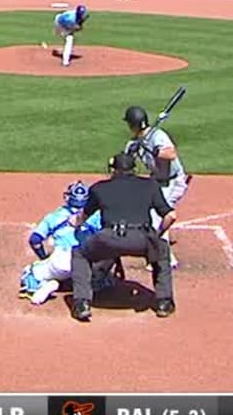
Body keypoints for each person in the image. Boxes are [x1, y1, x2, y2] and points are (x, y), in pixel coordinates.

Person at [66, 152, 177, 322]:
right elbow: (171, 216)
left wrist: (73, 222)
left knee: (80, 254)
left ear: (113, 170)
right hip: (142, 238)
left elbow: (82, 217)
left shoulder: (99, 188)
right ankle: (164, 302)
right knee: (161, 251)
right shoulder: (150, 185)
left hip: (109, 239)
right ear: (134, 169)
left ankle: (82, 303)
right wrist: (156, 235)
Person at [123, 104, 191, 268]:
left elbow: (170, 153)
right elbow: (124, 163)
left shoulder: (157, 136)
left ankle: (165, 258)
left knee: (158, 218)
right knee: (154, 217)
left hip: (173, 182)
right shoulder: (136, 141)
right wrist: (130, 152)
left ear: (133, 125)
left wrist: (151, 150)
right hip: (157, 182)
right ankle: (161, 253)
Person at [19, 181, 103, 306]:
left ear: (68, 197)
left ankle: (42, 287)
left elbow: (35, 240)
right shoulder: (96, 216)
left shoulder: (55, 216)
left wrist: (43, 258)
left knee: (29, 273)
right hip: (88, 262)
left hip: (61, 262)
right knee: (102, 269)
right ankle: (97, 282)